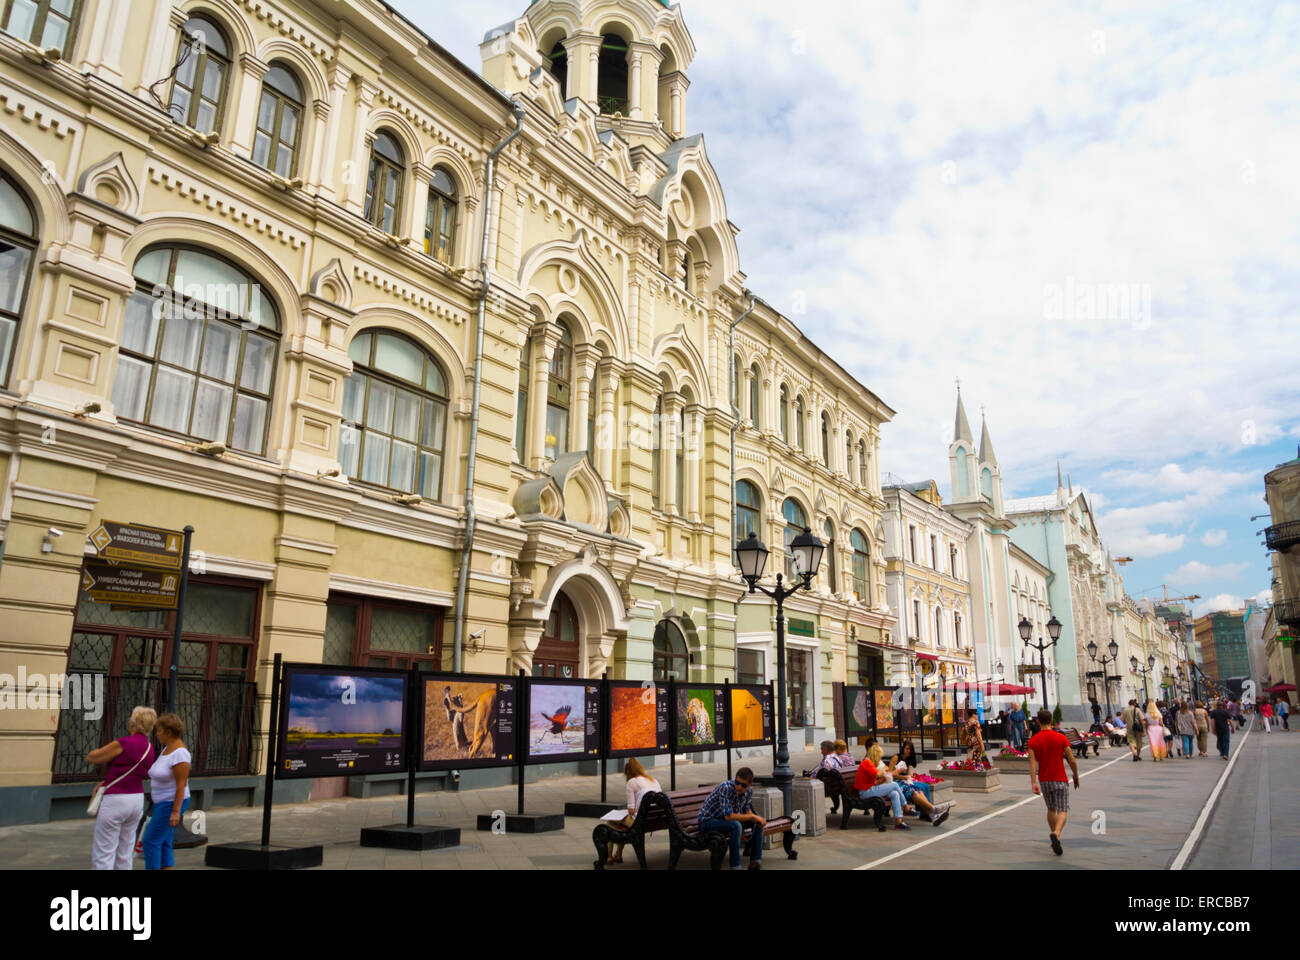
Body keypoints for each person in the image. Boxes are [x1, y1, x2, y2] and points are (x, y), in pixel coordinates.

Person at [87, 706, 157, 870]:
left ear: (132, 724)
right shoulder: (149, 748)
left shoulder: (124, 743)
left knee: (104, 849)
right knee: (125, 849)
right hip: (137, 798)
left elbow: (93, 757)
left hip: (116, 799)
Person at [141, 712, 191, 871]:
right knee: (164, 841)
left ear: (168, 733)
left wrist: (175, 812)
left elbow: (181, 785)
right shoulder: (167, 749)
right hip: (161, 802)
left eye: (159, 731)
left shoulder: (180, 754)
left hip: (170, 803)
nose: (156, 734)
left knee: (150, 841)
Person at [1027, 708, 1079, 856]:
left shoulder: (1032, 741)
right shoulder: (1061, 738)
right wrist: (1075, 775)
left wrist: (1033, 782)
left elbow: (1032, 763)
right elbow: (1071, 759)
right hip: (1060, 778)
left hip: (1045, 780)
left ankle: (1055, 836)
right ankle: (1056, 833)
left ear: (1038, 722)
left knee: (1051, 809)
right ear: (1051, 721)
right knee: (1062, 810)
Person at [697, 767, 765, 870]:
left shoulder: (749, 791)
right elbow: (728, 816)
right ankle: (735, 866)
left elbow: (747, 810)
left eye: (743, 785)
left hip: (724, 822)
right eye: (737, 783)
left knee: (757, 823)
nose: (739, 787)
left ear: (750, 785)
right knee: (735, 825)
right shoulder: (726, 788)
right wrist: (752, 816)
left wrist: (757, 819)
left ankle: (755, 863)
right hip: (707, 822)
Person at [868, 744, 950, 825]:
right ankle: (933, 810)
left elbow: (887, 772)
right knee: (912, 791)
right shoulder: (870, 763)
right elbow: (886, 775)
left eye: (910, 749)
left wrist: (888, 773)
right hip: (891, 784)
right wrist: (894, 773)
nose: (909, 751)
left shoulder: (879, 762)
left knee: (919, 790)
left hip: (895, 783)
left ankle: (932, 814)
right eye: (907, 749)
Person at [606, 757, 661, 864]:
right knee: (622, 826)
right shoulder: (653, 780)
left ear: (628, 772)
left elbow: (631, 811)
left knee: (609, 823)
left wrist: (631, 810)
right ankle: (618, 855)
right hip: (655, 820)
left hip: (640, 822)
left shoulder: (632, 782)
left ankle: (609, 857)